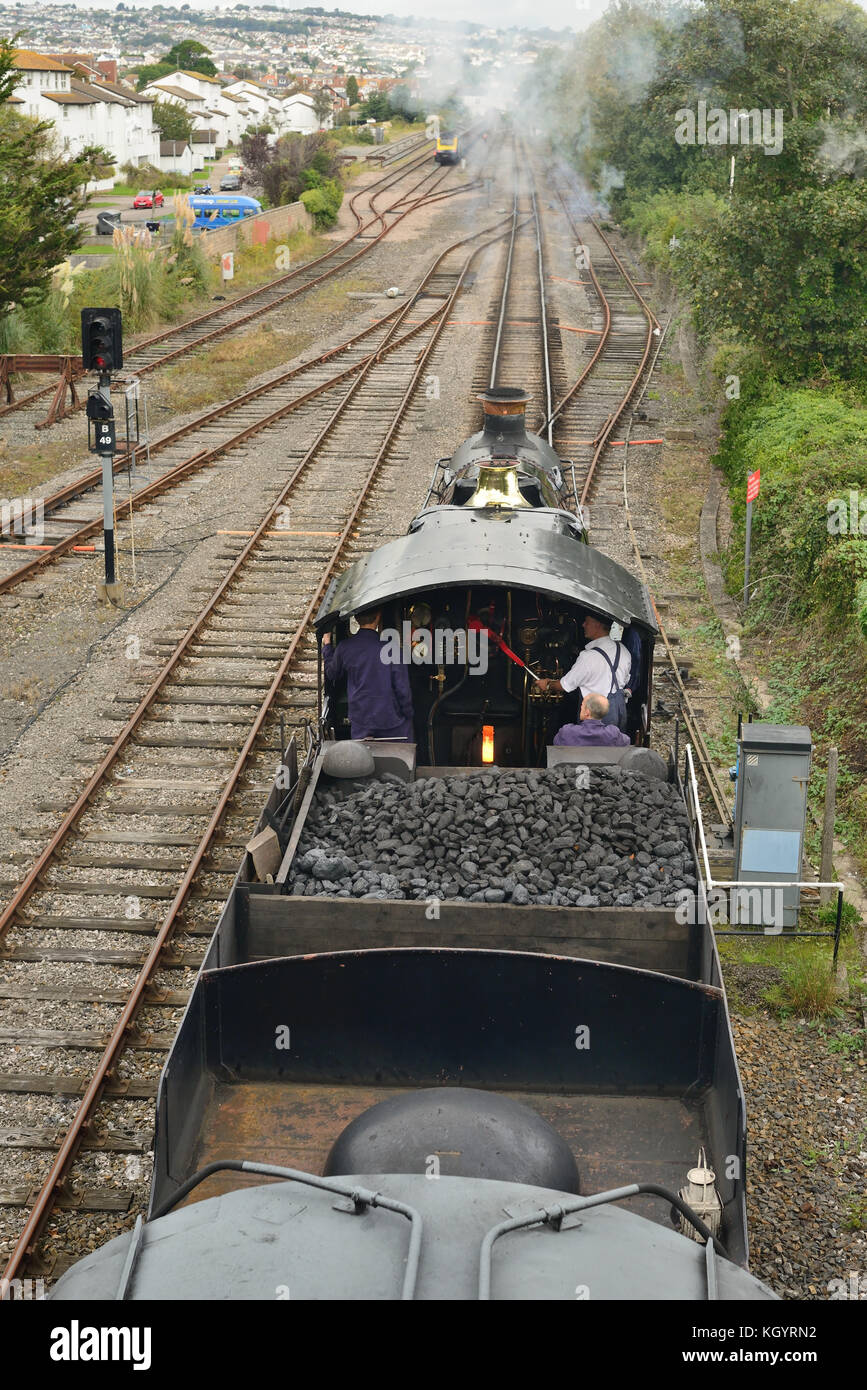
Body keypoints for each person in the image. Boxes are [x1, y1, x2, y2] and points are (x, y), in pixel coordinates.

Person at [322, 607, 414, 741]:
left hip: (361, 721)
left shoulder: (345, 648)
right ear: (378, 617)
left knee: (362, 759)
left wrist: (327, 645)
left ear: (356, 618)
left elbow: (331, 673)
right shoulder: (392, 649)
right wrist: (409, 713)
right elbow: (403, 690)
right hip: (391, 722)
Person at [536, 612, 631, 728]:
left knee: (590, 746)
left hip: (594, 719)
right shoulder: (624, 651)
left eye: (587, 622)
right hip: (618, 715)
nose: (583, 625)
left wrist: (547, 684)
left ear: (598, 625)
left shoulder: (588, 656)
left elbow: (565, 685)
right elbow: (625, 680)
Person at [553, 693, 630, 747]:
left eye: (582, 705)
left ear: (587, 712)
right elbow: (627, 742)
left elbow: (556, 743)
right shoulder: (613, 733)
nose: (581, 708)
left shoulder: (567, 732)